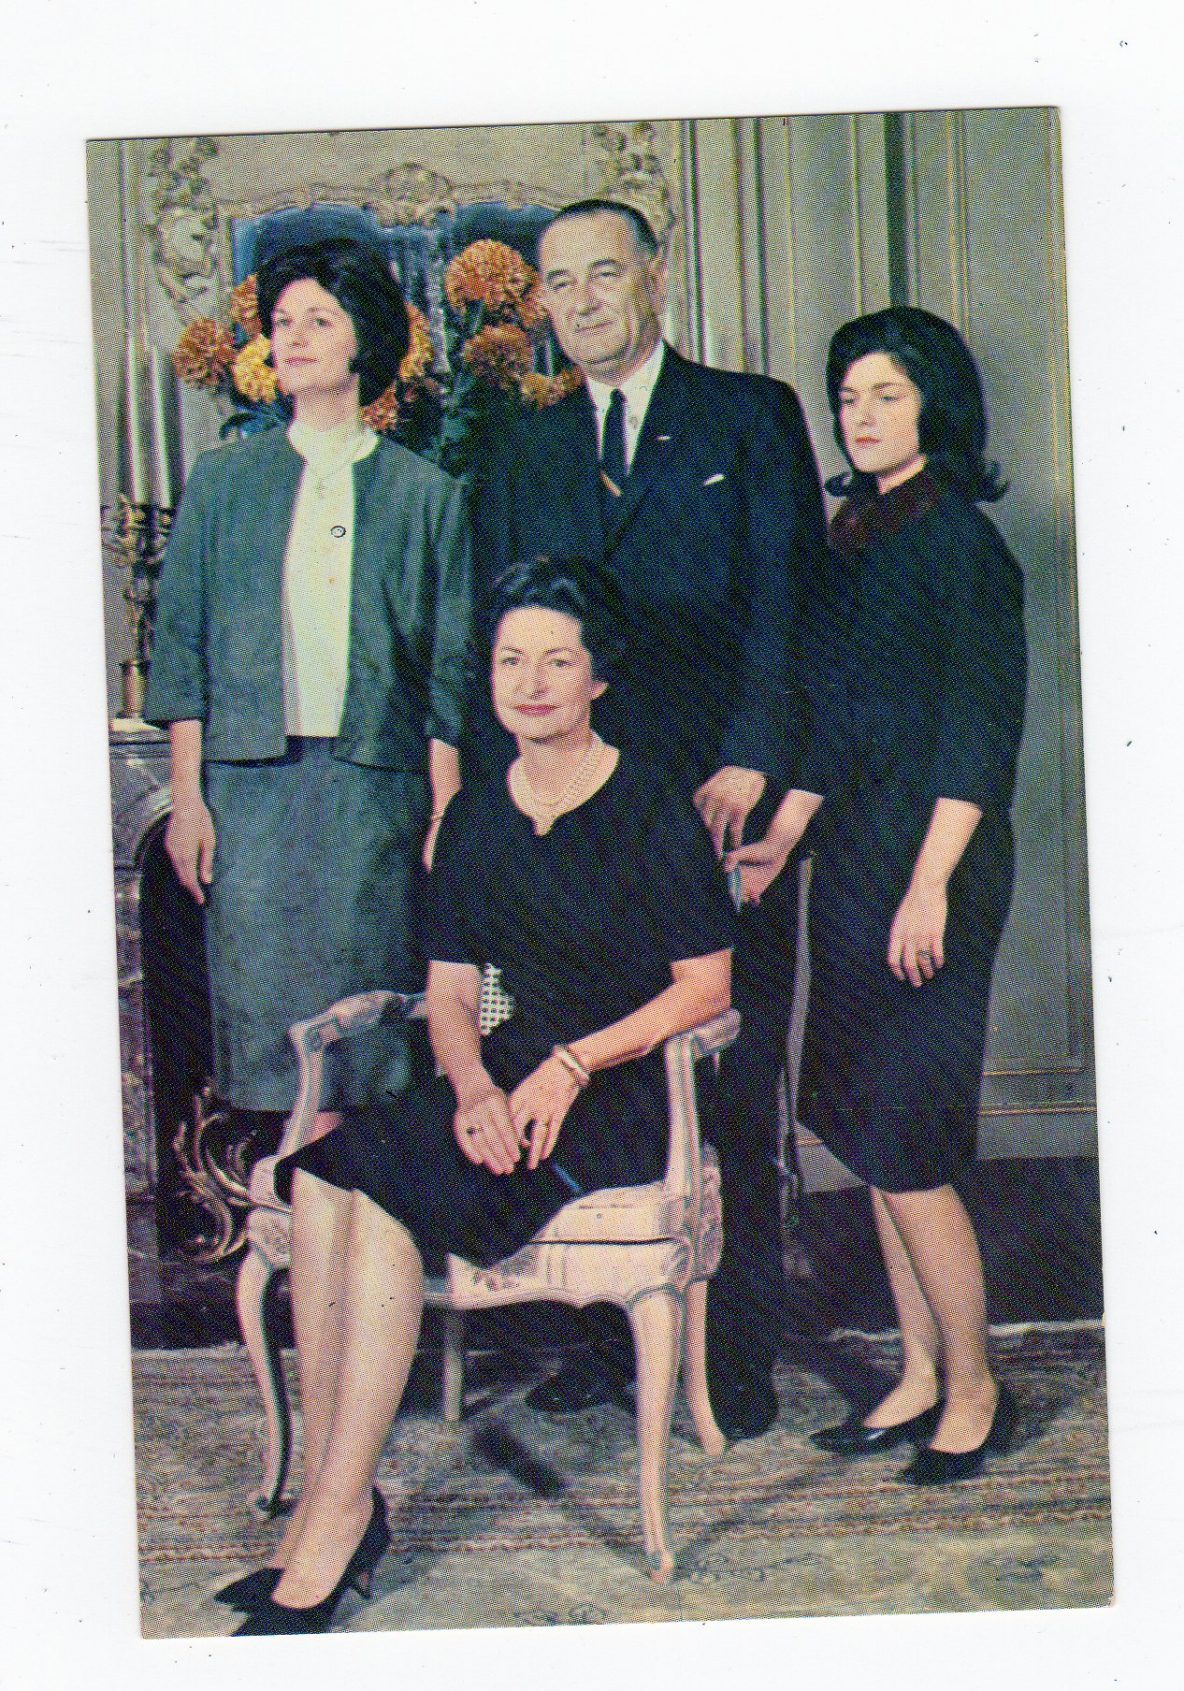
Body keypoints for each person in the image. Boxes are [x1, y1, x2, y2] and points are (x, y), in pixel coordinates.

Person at [221, 556, 736, 1633]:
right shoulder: (474, 818)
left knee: (386, 1194)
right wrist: (465, 1082)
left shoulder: (649, 798)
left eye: (557, 659)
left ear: (598, 676)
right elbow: (451, 992)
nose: (531, 680)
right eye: (510, 660)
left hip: (614, 1089)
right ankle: (339, 1497)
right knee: (324, 1178)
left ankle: (329, 1526)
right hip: (498, 1076)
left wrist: (570, 1063)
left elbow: (706, 987)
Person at [471, 198, 827, 1437]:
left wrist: (752, 763)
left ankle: (734, 1354)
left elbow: (790, 611)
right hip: (570, 828)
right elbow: (497, 647)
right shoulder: (522, 452)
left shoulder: (747, 414)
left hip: (716, 813)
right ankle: (604, 1334)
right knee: (572, 1055)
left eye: (601, 274)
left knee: (722, 1083)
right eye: (555, 284)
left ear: (656, 278)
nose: (577, 303)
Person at [728, 306, 1028, 1483]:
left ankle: (974, 1387)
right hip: (851, 858)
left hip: (932, 868)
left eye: (884, 395)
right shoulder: (853, 534)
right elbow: (837, 720)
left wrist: (929, 886)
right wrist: (783, 832)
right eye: (845, 396)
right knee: (864, 1126)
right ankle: (914, 1373)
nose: (858, 415)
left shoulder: (960, 542)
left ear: (934, 405)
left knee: (907, 1140)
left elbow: (978, 734)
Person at [143, 235, 471, 1131]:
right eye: (282, 321)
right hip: (249, 796)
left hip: (378, 794)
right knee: (270, 1044)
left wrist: (444, 809)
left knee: (374, 1047)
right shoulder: (222, 484)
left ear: (363, 339)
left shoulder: (425, 494)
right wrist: (188, 798)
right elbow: (183, 650)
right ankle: (296, 1242)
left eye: (317, 320)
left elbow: (451, 664)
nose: (293, 337)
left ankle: (364, 1242)